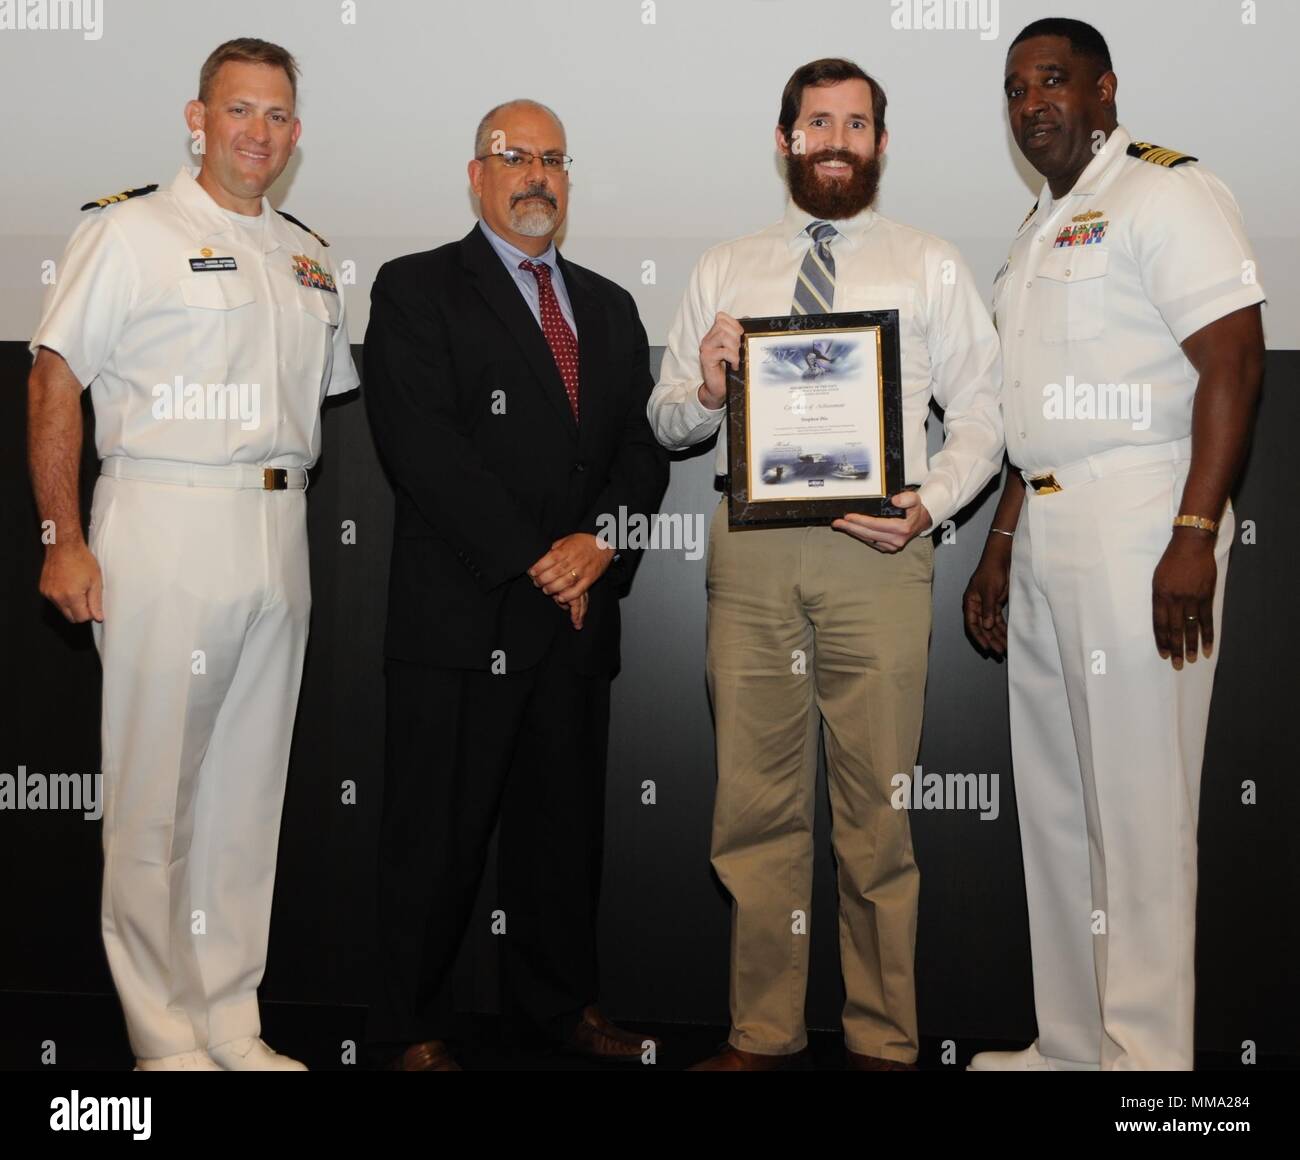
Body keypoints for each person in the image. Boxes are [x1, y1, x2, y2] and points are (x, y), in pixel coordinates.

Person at [648, 58, 1003, 1071]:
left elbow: (984, 406)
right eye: (817, 123)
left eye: (856, 124)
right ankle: (760, 1030)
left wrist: (930, 504)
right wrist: (709, 387)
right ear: (784, 140)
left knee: (877, 811)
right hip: (750, 554)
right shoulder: (725, 265)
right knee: (752, 807)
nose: (836, 139)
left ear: (881, 145)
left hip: (880, 556)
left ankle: (885, 1038)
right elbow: (666, 416)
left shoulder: (929, 262)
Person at [27, 38, 359, 1071]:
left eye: (276, 116)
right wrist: (63, 536)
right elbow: (53, 377)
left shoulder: (306, 252)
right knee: (153, 796)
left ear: (295, 134)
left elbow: (321, 401)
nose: (258, 132)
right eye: (239, 111)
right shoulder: (128, 231)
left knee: (243, 798)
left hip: (276, 522)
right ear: (198, 118)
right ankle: (160, 1032)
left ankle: (227, 1017)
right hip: (163, 520)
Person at [963, 18, 1266, 1071]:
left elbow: (1232, 359)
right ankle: (1073, 1045)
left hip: (1143, 514)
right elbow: (1027, 407)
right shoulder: (1036, 227)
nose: (1030, 101)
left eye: (1052, 80)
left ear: (1104, 88)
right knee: (1057, 806)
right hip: (1047, 518)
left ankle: (1147, 1065)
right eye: (1013, 87)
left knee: (1136, 810)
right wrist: (1000, 541)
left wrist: (1193, 533)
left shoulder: (1166, 191)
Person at [363, 98, 669, 1071]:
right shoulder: (415, 290)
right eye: (514, 156)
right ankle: (410, 1023)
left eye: (552, 159)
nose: (535, 174)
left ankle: (559, 1009)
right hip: (463, 617)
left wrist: (600, 546)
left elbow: (640, 455)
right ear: (475, 173)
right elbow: (423, 450)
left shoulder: (612, 308)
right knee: (434, 841)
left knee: (560, 841)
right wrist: (546, 559)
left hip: (576, 625)